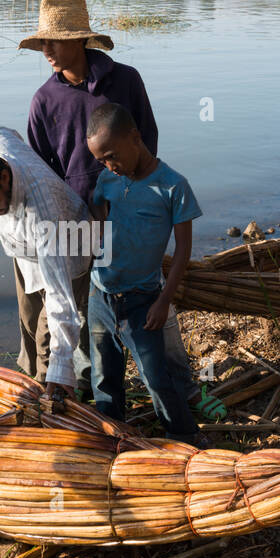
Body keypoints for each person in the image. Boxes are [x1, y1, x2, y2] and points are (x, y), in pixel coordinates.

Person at [19, 0, 202, 408]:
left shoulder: (125, 81)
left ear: (77, 39)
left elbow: (148, 140)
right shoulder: (44, 101)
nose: (46, 49)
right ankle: (91, 389)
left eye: (53, 41)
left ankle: (181, 386)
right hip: (78, 220)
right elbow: (42, 170)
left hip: (133, 213)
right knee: (85, 304)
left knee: (152, 297)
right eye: (42, 42)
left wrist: (142, 200)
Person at [84, 103, 206, 445]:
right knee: (104, 374)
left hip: (142, 299)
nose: (109, 165)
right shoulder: (109, 179)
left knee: (155, 375)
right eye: (101, 161)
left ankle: (185, 437)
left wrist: (164, 301)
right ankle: (112, 434)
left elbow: (182, 250)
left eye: (112, 155)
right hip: (100, 293)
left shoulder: (173, 187)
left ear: (135, 137)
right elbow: (97, 208)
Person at [0, 127, 91, 398]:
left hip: (70, 246)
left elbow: (60, 298)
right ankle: (36, 382)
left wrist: (61, 371)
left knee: (50, 336)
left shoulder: (43, 210)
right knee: (29, 321)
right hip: (23, 249)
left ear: (3, 177)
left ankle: (55, 393)